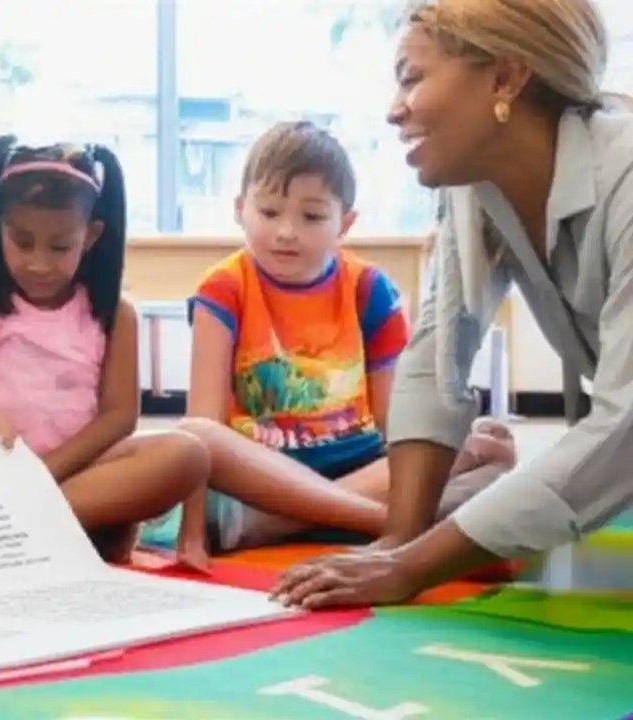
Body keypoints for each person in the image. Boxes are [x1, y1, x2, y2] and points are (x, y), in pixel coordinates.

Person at [274, 0, 633, 609]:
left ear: (505, 76)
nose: (393, 110)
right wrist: (397, 540)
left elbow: (625, 426)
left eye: (412, 78)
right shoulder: (473, 184)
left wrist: (413, 567)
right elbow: (436, 358)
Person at [161, 122, 512, 570]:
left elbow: (395, 422)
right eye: (269, 212)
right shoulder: (224, 288)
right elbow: (203, 426)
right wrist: (191, 537)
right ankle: (401, 526)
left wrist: (451, 453)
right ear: (239, 209)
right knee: (192, 436)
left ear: (345, 223)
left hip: (358, 467)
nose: (286, 231)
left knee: (492, 447)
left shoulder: (369, 289)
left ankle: (279, 523)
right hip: (258, 478)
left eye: (311, 217)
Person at [0, 136, 209, 564]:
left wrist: (46, 473)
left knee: (187, 453)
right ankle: (27, 525)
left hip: (75, 477)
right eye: (23, 242)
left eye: (60, 247)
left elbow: (119, 417)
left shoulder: (116, 313)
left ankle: (5, 524)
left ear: (91, 236)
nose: (39, 263)